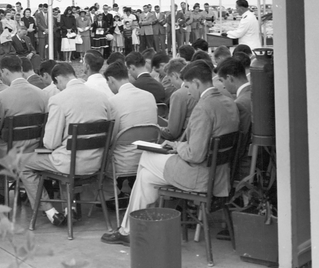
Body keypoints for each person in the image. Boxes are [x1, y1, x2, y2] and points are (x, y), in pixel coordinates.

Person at [102, 60, 239, 245]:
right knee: (146, 177)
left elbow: (195, 154)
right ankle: (130, 229)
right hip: (220, 175)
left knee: (146, 157)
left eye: (188, 86)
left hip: (200, 175)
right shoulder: (228, 101)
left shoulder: (204, 107)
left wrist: (177, 147)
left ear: (196, 83)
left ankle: (131, 229)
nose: (188, 92)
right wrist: (178, 146)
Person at [18, 62, 110, 226]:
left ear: (58, 79)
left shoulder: (58, 100)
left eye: (56, 84)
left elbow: (50, 143)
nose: (57, 88)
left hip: (69, 164)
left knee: (23, 162)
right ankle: (70, 208)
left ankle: (50, 211)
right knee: (62, 155)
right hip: (97, 163)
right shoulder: (101, 97)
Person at [0, 55, 48, 201]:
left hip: (10, 152)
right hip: (36, 149)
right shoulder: (42, 94)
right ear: (21, 69)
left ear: (4, 71)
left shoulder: (0, 97)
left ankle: (1, 194)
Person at [103, 60, 158, 196]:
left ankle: (111, 196)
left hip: (122, 162)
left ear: (110, 79)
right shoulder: (149, 96)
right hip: (148, 157)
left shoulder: (113, 102)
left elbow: (110, 138)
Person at [158, 58, 199, 142]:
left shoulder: (179, 95)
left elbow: (172, 133)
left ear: (175, 75)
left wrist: (156, 128)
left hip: (183, 142)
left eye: (170, 80)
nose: (171, 84)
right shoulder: (199, 90)